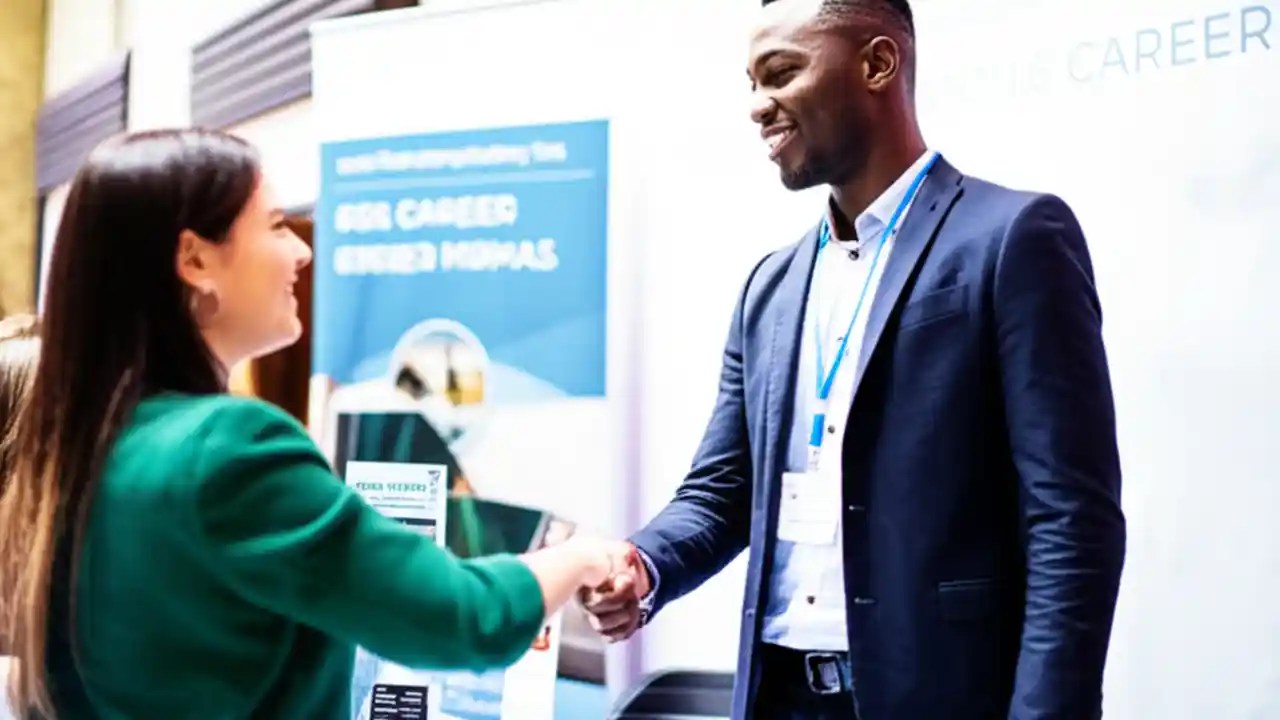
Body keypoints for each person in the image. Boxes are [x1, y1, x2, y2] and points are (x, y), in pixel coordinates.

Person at [580, 1, 1126, 718]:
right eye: (749, 82)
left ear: (877, 64)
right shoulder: (769, 288)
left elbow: (1071, 519)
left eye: (780, 74)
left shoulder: (1013, 238)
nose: (756, 106)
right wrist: (643, 565)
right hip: (778, 697)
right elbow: (723, 492)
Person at [0, 128, 619, 719]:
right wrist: (581, 558)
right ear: (195, 259)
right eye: (274, 226)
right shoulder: (230, 448)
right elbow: (465, 618)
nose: (301, 250)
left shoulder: (75, 454)